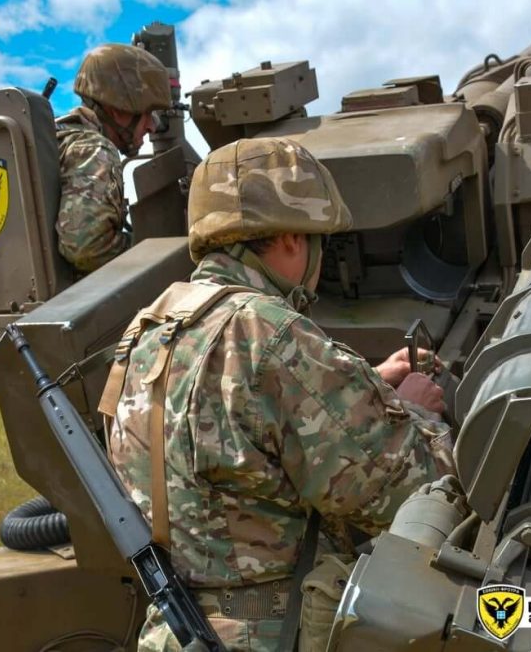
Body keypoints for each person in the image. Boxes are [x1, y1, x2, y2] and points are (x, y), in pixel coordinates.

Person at [102, 137, 455, 651]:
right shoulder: (270, 335)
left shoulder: (147, 331)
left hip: (174, 634)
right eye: (318, 240)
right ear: (291, 237)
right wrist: (415, 409)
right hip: (273, 633)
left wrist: (366, 386)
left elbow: (228, 431)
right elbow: (410, 489)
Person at [55, 44, 171, 274]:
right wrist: (148, 251)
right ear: (118, 109)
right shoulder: (94, 148)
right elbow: (87, 250)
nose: (151, 126)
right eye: (147, 113)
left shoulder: (57, 137)